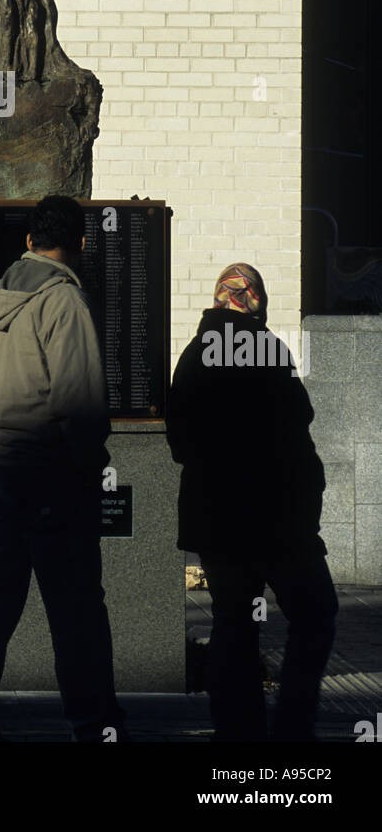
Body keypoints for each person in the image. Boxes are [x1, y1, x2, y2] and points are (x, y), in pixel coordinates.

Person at [0, 194, 126, 743]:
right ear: (81, 245)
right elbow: (81, 402)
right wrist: (90, 464)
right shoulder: (64, 302)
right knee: (76, 611)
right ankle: (95, 725)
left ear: (28, 242)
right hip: (54, 473)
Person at [166, 263, 338, 742]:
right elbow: (298, 416)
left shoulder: (195, 354)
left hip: (219, 520)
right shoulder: (266, 349)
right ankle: (292, 726)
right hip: (279, 518)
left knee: (233, 622)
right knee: (314, 612)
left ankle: (239, 731)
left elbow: (179, 440)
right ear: (255, 300)